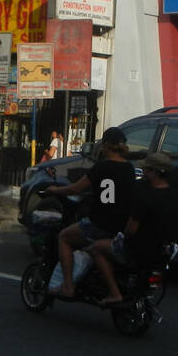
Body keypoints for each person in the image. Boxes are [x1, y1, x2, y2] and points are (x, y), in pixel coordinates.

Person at [41, 126, 135, 298]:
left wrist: (55, 190)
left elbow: (76, 189)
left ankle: (68, 285)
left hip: (100, 223)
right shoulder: (129, 168)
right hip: (119, 225)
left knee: (64, 237)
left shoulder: (102, 167)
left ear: (105, 146)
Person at [90, 151, 178, 304]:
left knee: (97, 248)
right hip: (163, 251)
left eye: (146, 169)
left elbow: (131, 229)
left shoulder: (144, 195)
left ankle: (114, 293)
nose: (144, 172)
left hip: (139, 250)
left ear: (153, 172)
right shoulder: (175, 195)